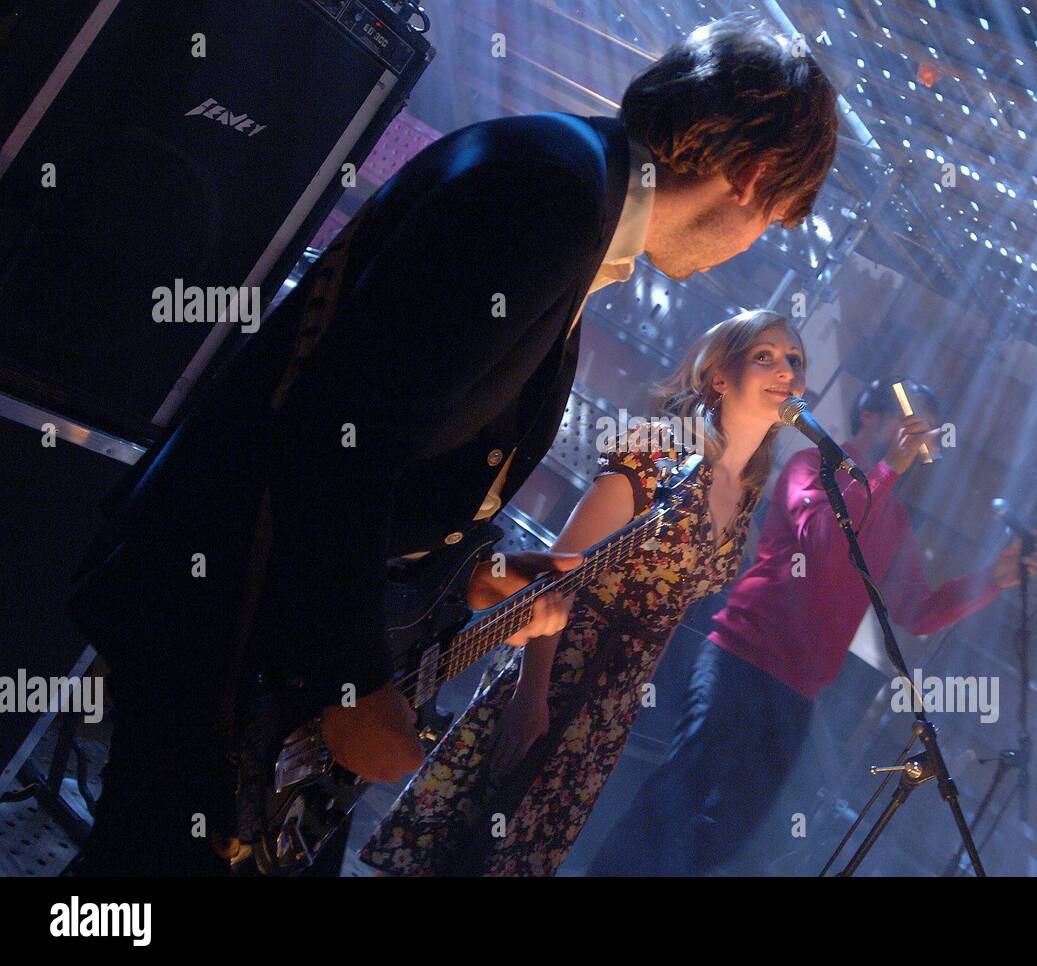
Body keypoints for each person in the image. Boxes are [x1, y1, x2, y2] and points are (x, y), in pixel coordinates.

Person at [63, 14, 839, 876]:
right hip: (226, 611)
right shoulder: (549, 195)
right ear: (756, 176)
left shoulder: (569, 183)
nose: (752, 244)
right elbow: (338, 438)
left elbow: (400, 424)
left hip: (246, 611)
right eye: (773, 220)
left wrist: (468, 571)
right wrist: (347, 684)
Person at [359, 310, 807, 875]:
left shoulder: (744, 498)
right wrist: (531, 697)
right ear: (718, 376)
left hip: (609, 706)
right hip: (555, 672)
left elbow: (671, 617)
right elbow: (556, 575)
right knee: (461, 842)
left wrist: (620, 714)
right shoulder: (660, 455)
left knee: (520, 854)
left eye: (795, 360)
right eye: (765, 356)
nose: (785, 370)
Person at [588, 379, 1037, 876]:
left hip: (798, 690)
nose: (917, 435)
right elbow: (820, 537)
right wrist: (889, 468)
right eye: (907, 419)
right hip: (742, 658)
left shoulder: (893, 517)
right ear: (869, 417)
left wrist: (992, 581)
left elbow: (916, 611)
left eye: (924, 428)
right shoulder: (812, 467)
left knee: (733, 830)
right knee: (677, 796)